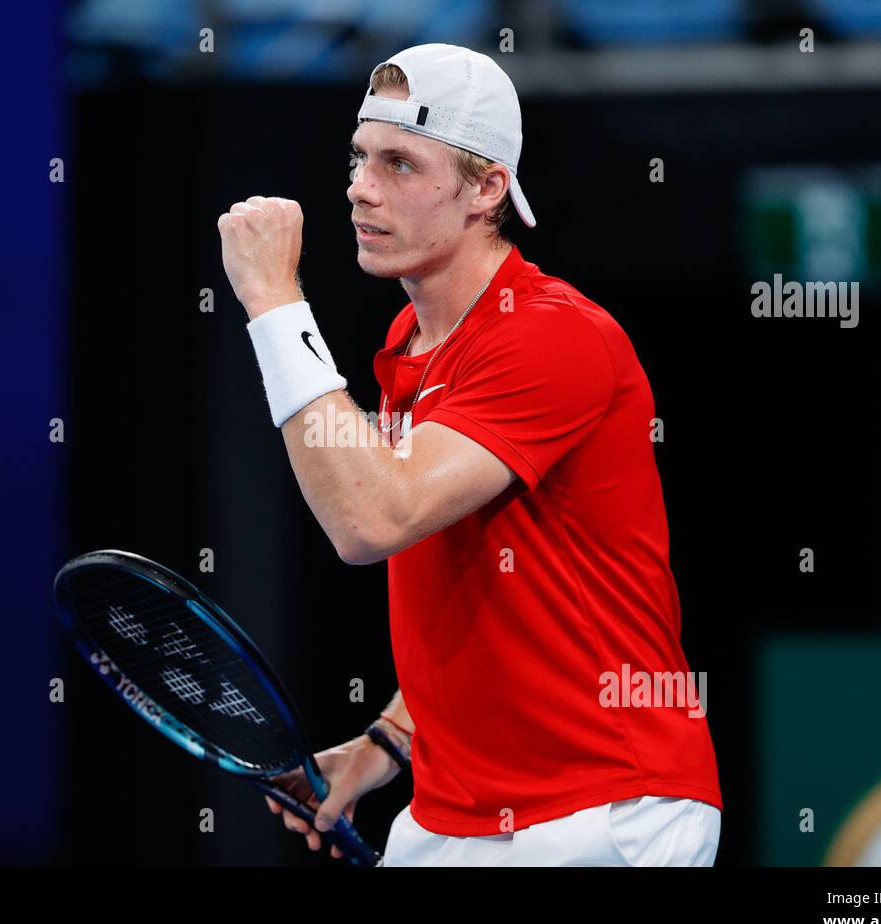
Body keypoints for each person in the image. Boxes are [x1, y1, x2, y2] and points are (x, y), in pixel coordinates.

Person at [217, 43, 722, 866]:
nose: (360, 187)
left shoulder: (553, 335)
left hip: (602, 808)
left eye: (400, 164)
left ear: (487, 189)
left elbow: (369, 521)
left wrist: (273, 300)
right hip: (448, 816)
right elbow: (483, 586)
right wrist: (388, 739)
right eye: (358, 158)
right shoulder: (409, 343)